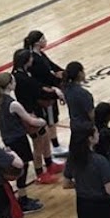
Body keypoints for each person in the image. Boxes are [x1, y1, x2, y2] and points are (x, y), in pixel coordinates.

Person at [0, 68, 47, 213]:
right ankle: (22, 199)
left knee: (20, 167)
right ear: (10, 85)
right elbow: (30, 121)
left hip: (8, 137)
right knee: (22, 167)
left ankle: (21, 197)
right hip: (17, 137)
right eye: (13, 81)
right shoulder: (13, 104)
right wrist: (42, 121)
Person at [23, 30, 65, 159]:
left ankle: (54, 145)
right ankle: (55, 147)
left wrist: (64, 72)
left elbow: (53, 66)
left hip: (49, 89)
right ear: (37, 42)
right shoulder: (35, 59)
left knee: (52, 119)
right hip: (45, 93)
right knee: (51, 121)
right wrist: (60, 82)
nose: (45, 40)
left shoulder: (40, 54)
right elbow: (48, 76)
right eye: (43, 38)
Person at [62, 61, 95, 158]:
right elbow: (92, 115)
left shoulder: (66, 89)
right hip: (86, 128)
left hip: (74, 125)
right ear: (80, 73)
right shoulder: (84, 94)